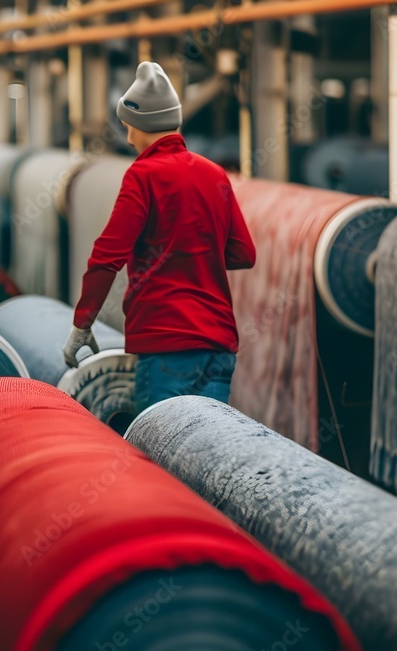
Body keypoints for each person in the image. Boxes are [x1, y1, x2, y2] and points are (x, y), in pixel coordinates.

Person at [63, 62, 256, 410]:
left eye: (127, 122)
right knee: (203, 458)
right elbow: (244, 254)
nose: (125, 131)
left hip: (167, 345)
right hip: (219, 346)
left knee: (159, 456)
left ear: (140, 123)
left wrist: (82, 323)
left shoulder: (143, 175)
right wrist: (196, 249)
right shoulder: (215, 174)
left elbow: (107, 256)